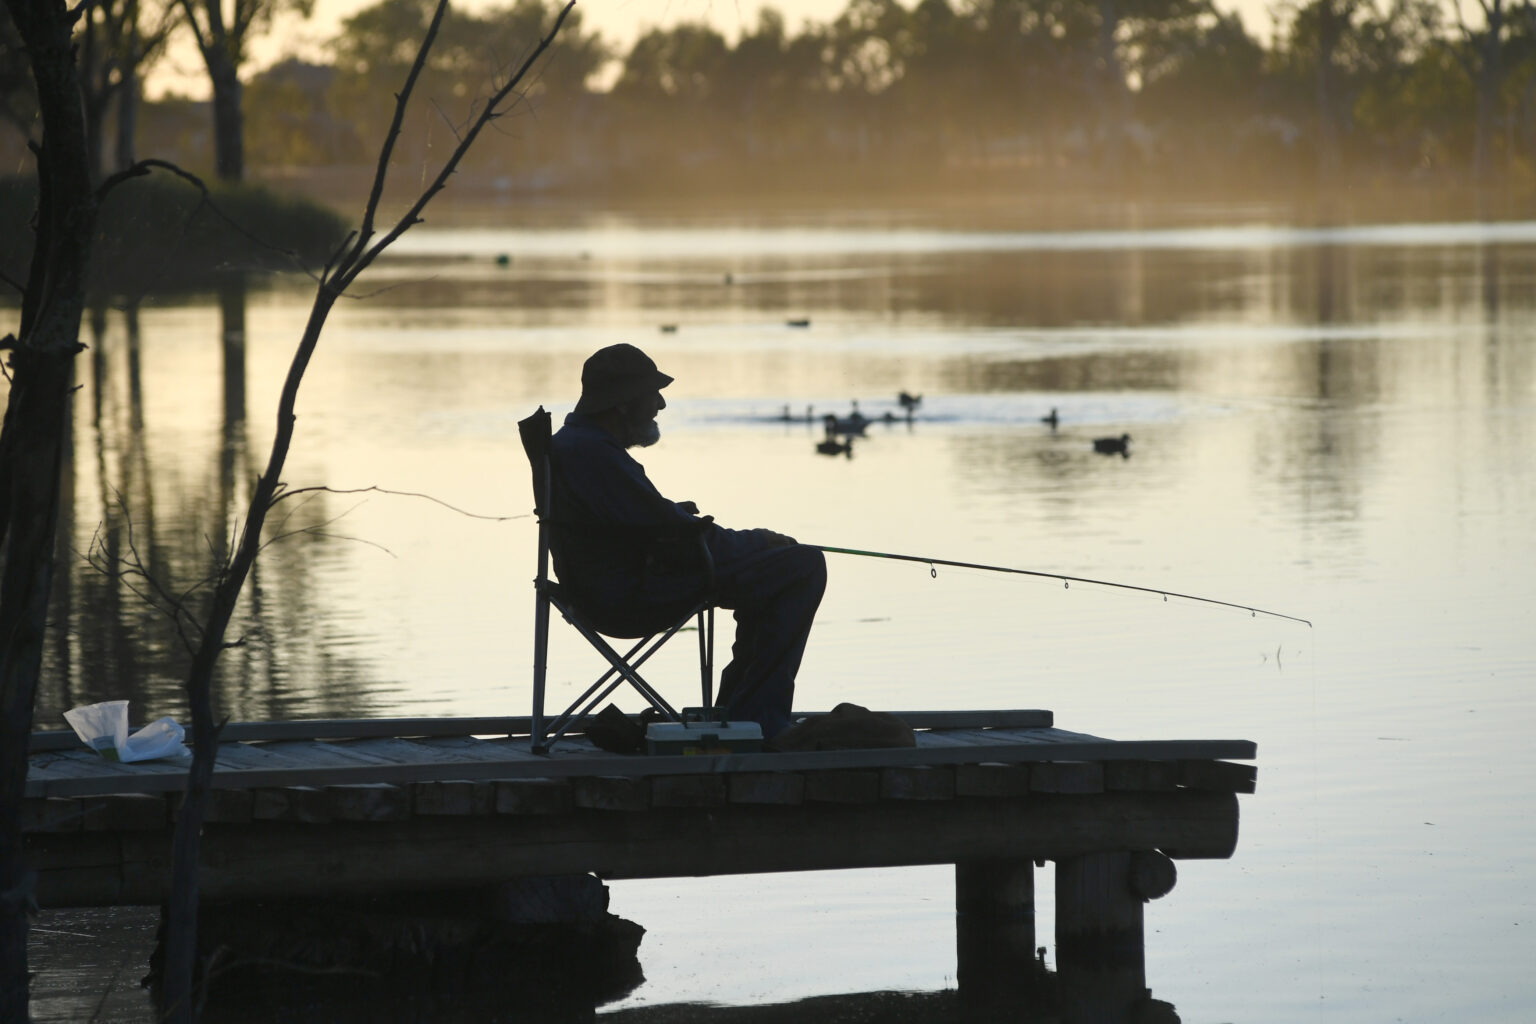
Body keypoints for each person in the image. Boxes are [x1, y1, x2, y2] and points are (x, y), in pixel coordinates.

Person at [548, 343, 826, 740]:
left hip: (613, 586)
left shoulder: (575, 444)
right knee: (803, 565)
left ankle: (741, 714)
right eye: (652, 393)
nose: (660, 403)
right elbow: (681, 534)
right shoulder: (594, 454)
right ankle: (758, 719)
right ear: (624, 403)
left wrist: (687, 522)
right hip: (631, 596)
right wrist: (760, 541)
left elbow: (645, 522)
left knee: (777, 569)